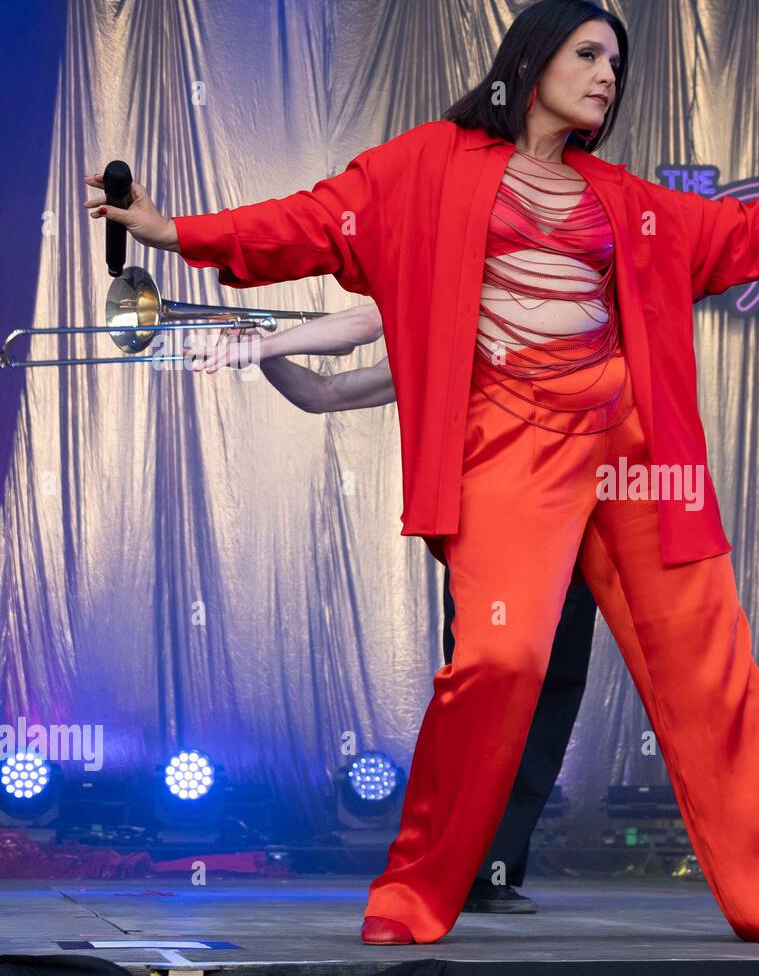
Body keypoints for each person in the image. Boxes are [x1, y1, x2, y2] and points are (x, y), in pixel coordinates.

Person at [84, 0, 759, 945]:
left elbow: (751, 229)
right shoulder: (429, 166)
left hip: (633, 451)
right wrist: (174, 234)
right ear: (531, 62)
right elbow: (315, 220)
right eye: (588, 53)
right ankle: (414, 891)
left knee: (711, 665)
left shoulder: (629, 202)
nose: (608, 74)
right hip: (512, 446)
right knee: (499, 657)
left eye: (618, 59)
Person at [189, 306, 593, 915]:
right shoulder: (449, 340)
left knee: (551, 703)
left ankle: (493, 871)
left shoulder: (572, 338)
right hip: (496, 546)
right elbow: (323, 392)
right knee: (481, 701)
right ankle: (456, 867)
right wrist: (265, 350)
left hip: (576, 534)